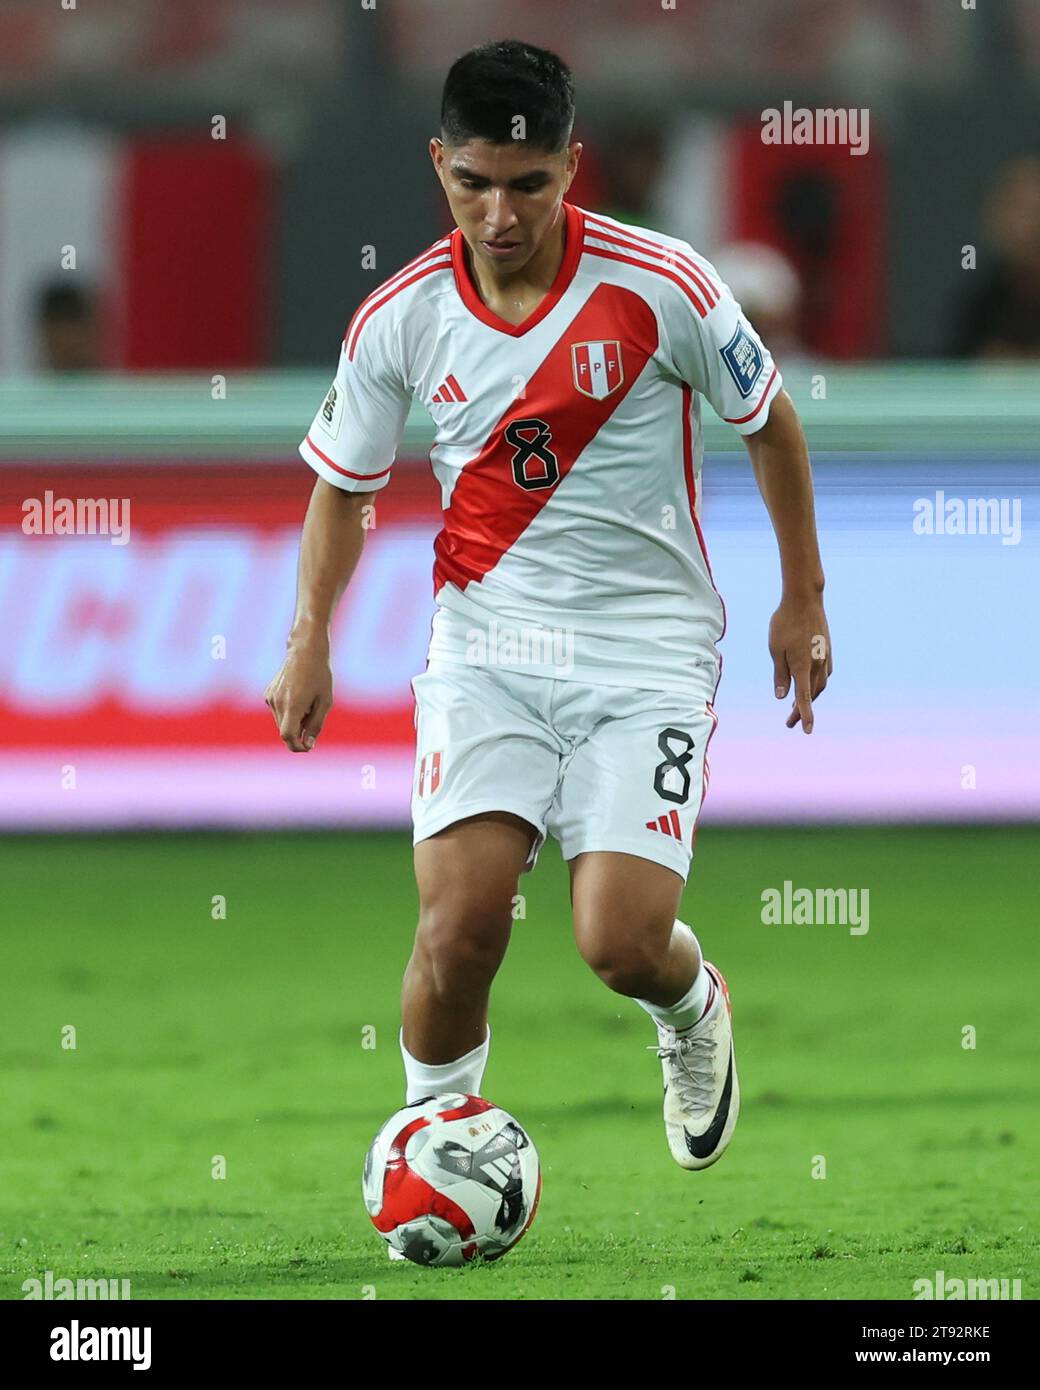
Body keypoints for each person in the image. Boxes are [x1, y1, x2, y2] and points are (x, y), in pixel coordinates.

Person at [265, 40, 831, 1209]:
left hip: (645, 652)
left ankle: (689, 1006)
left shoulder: (662, 283)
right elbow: (342, 485)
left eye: (527, 183)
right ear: (438, 165)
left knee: (617, 941)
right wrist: (308, 630)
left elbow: (769, 425)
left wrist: (802, 597)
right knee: (459, 926)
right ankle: (434, 1170)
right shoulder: (400, 316)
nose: (498, 210)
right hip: (486, 653)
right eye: (473, 182)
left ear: (572, 167)